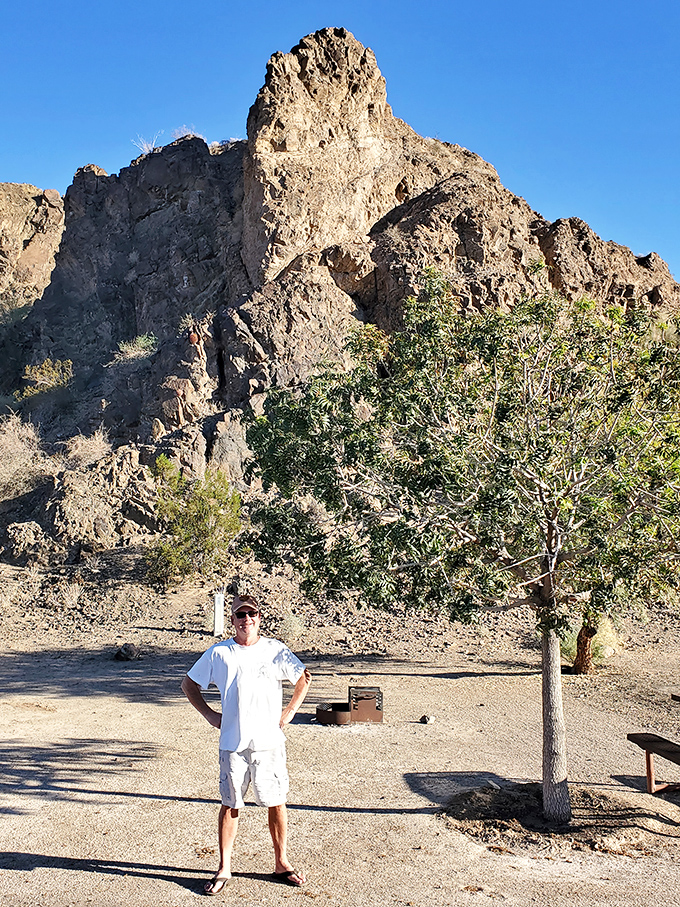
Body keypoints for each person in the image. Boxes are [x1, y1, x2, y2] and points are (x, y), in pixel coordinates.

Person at [181, 594, 311, 894]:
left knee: (276, 802)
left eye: (251, 613)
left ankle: (282, 863)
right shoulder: (219, 653)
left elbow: (303, 677)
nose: (246, 619)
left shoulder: (275, 650)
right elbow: (189, 684)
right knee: (230, 804)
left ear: (259, 617)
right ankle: (224, 867)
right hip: (233, 743)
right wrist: (210, 715)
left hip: (269, 743)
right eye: (240, 615)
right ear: (233, 620)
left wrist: (290, 711)